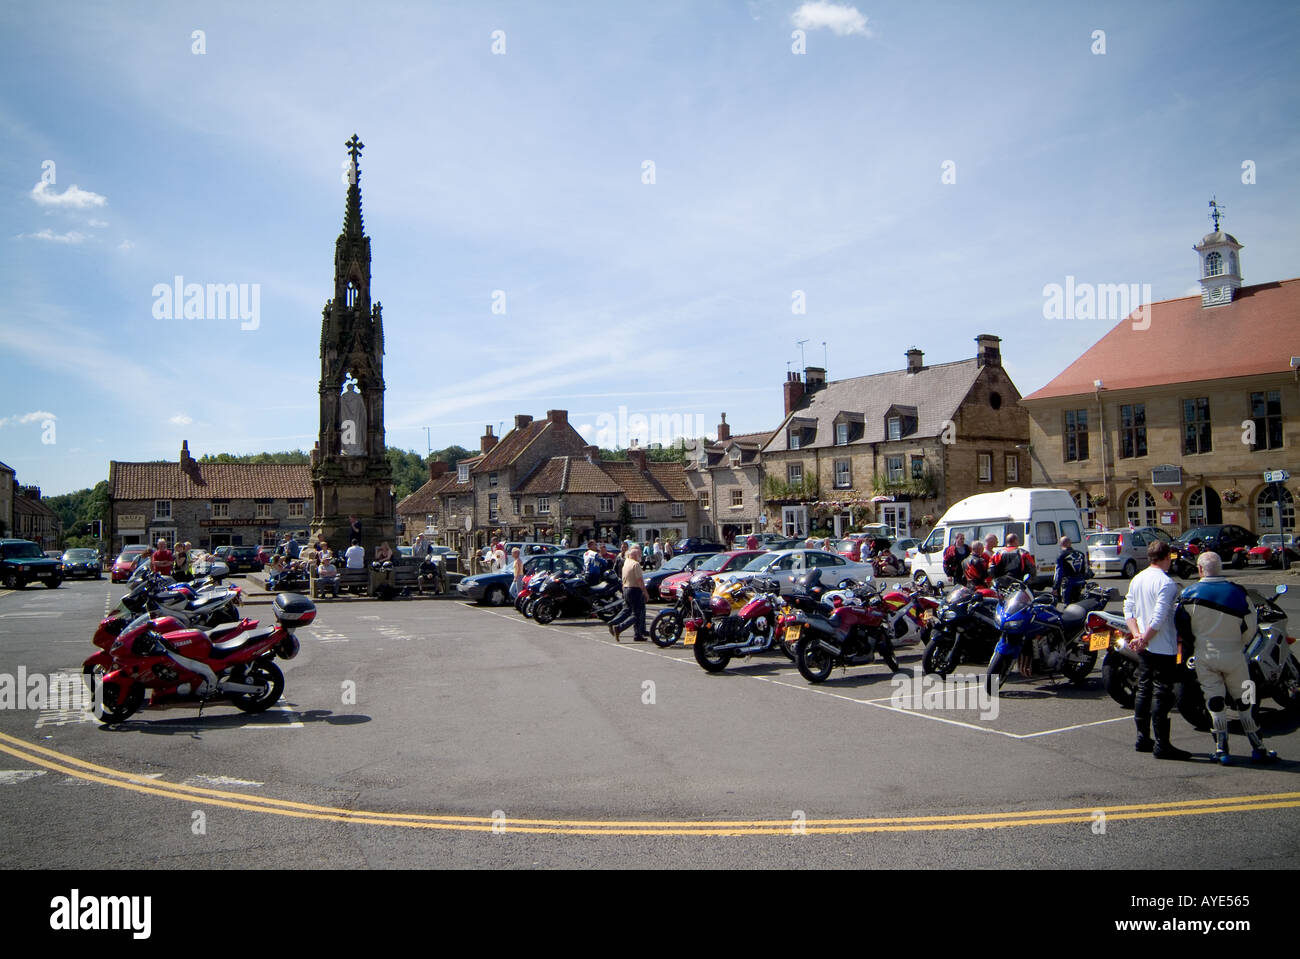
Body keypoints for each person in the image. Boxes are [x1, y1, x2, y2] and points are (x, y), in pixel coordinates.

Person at [1175, 552, 1277, 765]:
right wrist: (1242, 643)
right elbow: (1251, 625)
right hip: (1235, 655)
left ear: (1200, 569)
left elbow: (1182, 627)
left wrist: (1196, 643)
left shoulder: (1187, 594)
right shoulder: (1238, 592)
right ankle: (1258, 748)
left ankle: (1221, 749)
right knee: (1247, 699)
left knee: (1214, 701)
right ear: (1220, 568)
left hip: (1205, 655)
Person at [1124, 539, 1191, 760]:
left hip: (1143, 642)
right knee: (1162, 691)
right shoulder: (1166, 583)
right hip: (1161, 644)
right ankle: (1162, 744)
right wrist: (1143, 638)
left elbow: (1129, 608)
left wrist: (1137, 636)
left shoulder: (1138, 578)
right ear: (1166, 557)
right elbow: (1160, 617)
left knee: (1144, 688)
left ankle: (1142, 737)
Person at [609, 545, 649, 641]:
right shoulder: (636, 564)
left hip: (626, 588)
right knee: (636, 614)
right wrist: (645, 592)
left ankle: (637, 635)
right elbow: (640, 581)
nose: (640, 556)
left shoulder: (626, 563)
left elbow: (623, 578)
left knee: (628, 610)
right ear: (635, 555)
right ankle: (619, 627)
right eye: (639, 554)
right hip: (634, 589)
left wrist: (623, 589)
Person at [1052, 536, 1090, 604]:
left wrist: (1055, 587)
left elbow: (1059, 572)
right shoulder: (1080, 554)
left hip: (1068, 582)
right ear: (1070, 543)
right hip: (1080, 581)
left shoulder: (1061, 555)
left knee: (1067, 604)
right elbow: (1084, 569)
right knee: (1078, 603)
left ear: (1061, 544)